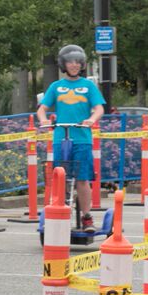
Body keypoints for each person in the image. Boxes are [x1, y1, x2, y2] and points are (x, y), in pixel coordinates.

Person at [37, 44, 104, 232]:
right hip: (60, 138)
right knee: (60, 178)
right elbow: (42, 109)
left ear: (82, 64)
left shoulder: (88, 86)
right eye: (70, 62)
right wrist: (43, 120)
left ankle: (87, 217)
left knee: (82, 179)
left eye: (77, 62)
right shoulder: (56, 86)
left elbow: (99, 108)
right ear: (63, 64)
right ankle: (59, 212)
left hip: (82, 138)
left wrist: (91, 119)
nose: (74, 65)